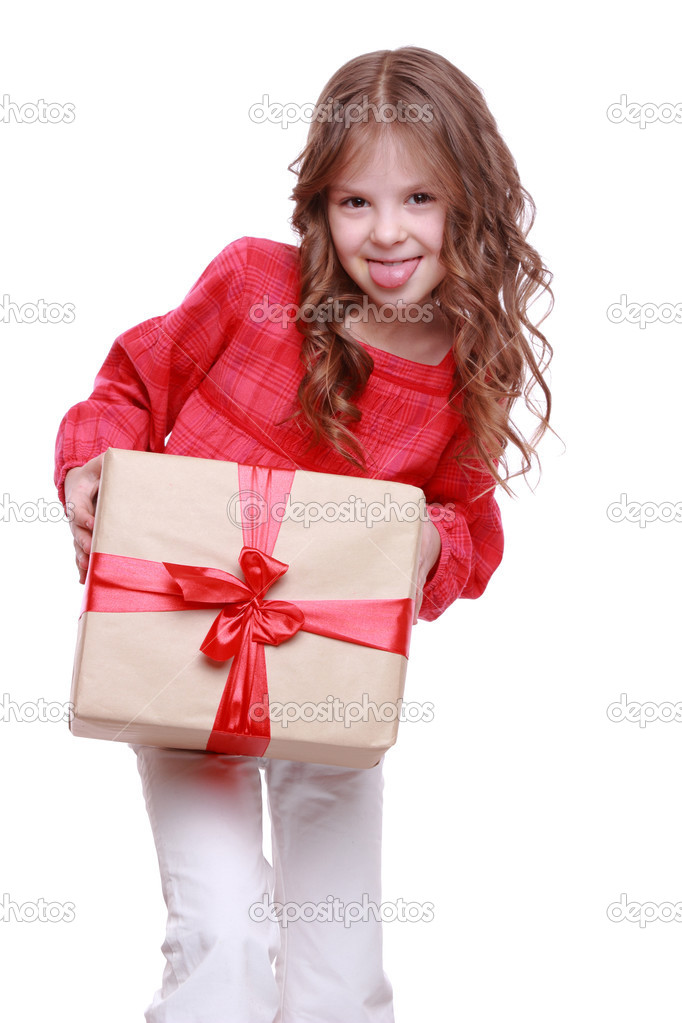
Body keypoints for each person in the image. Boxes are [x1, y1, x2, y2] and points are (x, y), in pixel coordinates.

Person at [54, 46, 553, 1023]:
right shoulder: (252, 287)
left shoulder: (461, 367)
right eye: (354, 202)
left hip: (330, 685)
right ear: (319, 208)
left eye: (420, 199)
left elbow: (469, 523)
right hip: (181, 658)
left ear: (469, 204)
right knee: (224, 936)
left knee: (340, 964)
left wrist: (426, 548)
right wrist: (87, 469)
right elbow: (125, 388)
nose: (387, 231)